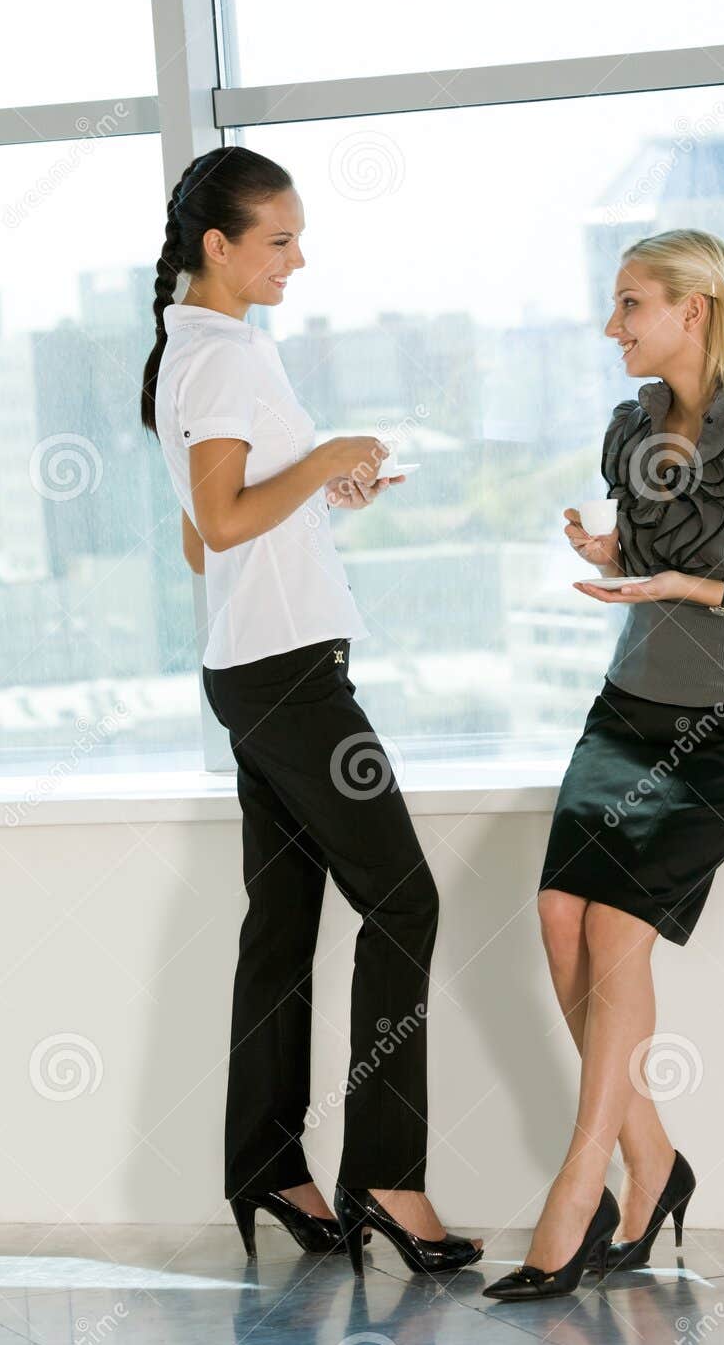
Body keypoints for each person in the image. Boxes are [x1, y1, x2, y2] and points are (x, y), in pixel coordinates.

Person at [484, 228, 724, 1301]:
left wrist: (696, 590)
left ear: (692, 312)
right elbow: (659, 561)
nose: (613, 327)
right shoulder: (633, 428)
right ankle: (651, 1160)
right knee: (560, 917)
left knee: (612, 930)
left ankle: (578, 1190)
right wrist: (613, 556)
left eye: (630, 305)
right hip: (626, 711)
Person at [141, 145, 481, 1276]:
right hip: (287, 673)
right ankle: (386, 1176)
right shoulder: (228, 355)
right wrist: (326, 453)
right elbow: (224, 526)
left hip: (254, 663)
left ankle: (267, 1165)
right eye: (277, 240)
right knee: (406, 897)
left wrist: (322, 490)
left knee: (282, 924)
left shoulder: (189, 353)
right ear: (218, 247)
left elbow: (208, 529)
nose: (297, 258)